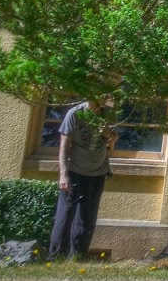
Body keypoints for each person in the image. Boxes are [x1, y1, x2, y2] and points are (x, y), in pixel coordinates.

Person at [48, 97, 118, 259]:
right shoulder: (75, 114)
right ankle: (55, 256)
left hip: (98, 173)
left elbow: (113, 142)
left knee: (87, 218)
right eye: (96, 98)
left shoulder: (108, 114)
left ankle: (77, 257)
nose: (100, 101)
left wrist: (108, 133)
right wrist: (63, 175)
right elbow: (64, 147)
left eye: (103, 97)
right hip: (75, 172)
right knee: (64, 217)